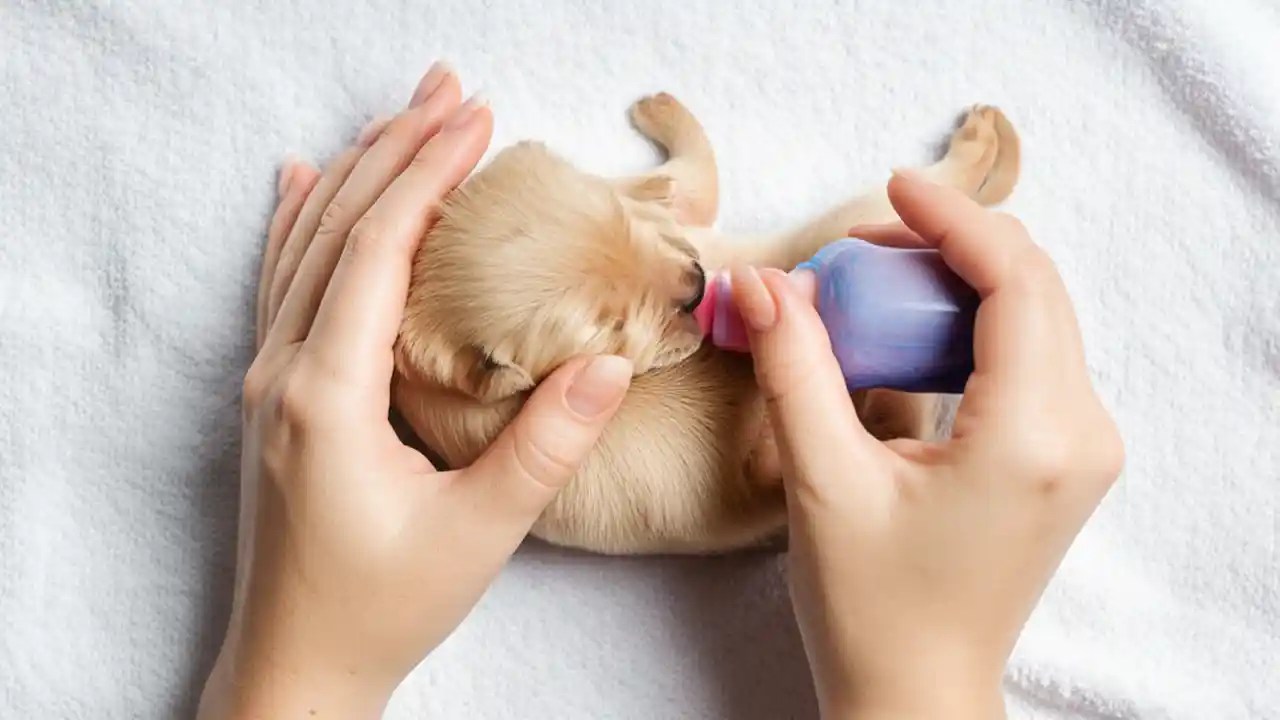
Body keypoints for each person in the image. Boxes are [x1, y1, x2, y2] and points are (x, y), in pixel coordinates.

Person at [198, 64, 1123, 720]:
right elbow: (754, 470)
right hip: (769, 459)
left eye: (622, 210)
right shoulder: (487, 368)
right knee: (844, 247)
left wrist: (293, 678)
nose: (681, 286)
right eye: (609, 326)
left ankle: (914, 187)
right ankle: (943, 200)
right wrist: (925, 680)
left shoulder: (515, 299)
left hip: (762, 341)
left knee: (829, 244)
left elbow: (623, 248)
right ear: (496, 378)